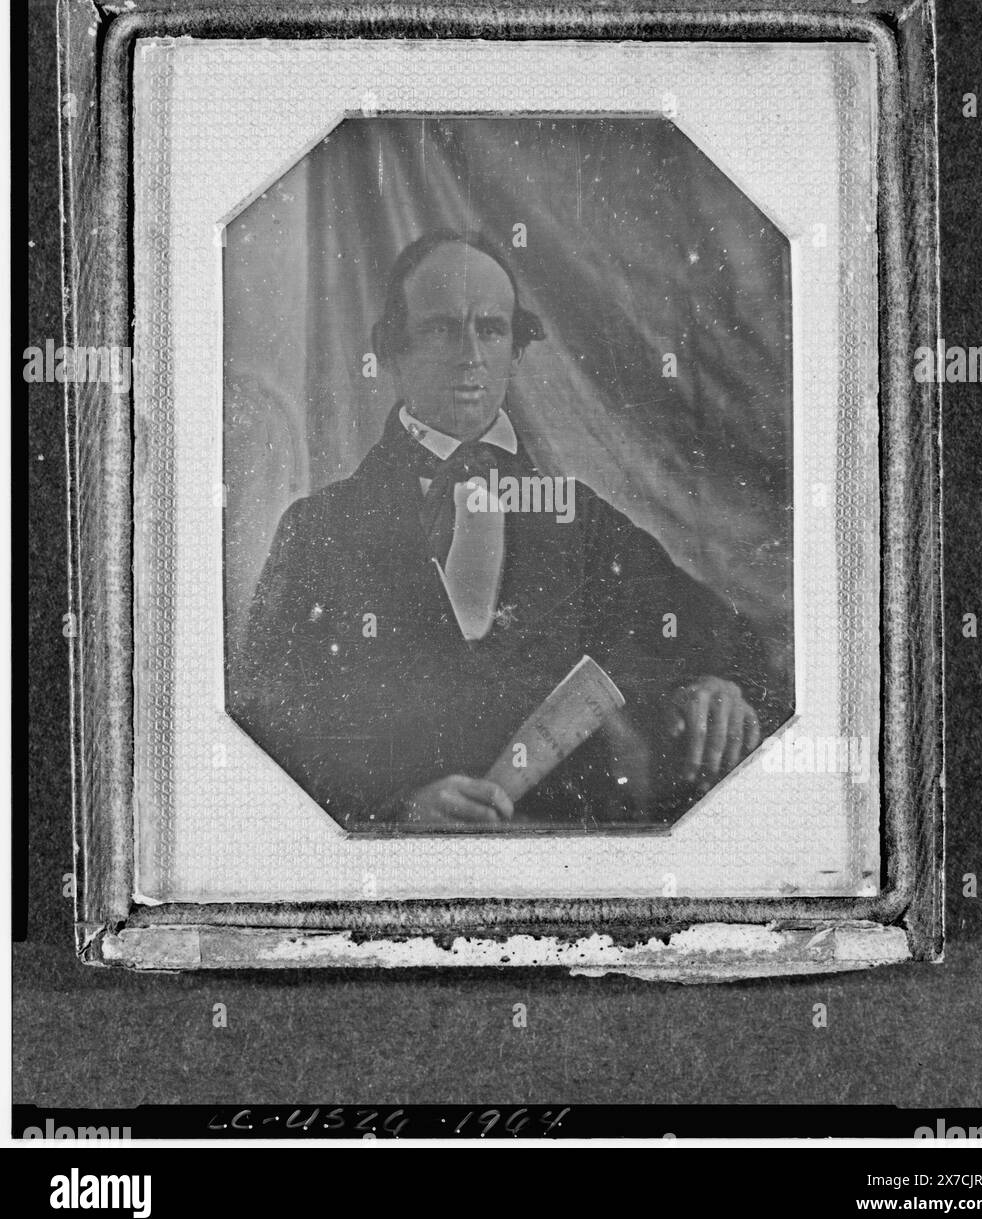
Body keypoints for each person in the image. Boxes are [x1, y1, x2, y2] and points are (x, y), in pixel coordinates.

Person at [230, 231, 776, 829]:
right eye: (441, 329)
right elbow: (261, 730)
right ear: (393, 349)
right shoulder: (320, 529)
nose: (471, 355)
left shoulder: (576, 517)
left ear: (516, 351)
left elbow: (737, 646)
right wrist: (390, 815)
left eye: (491, 330)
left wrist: (719, 686)